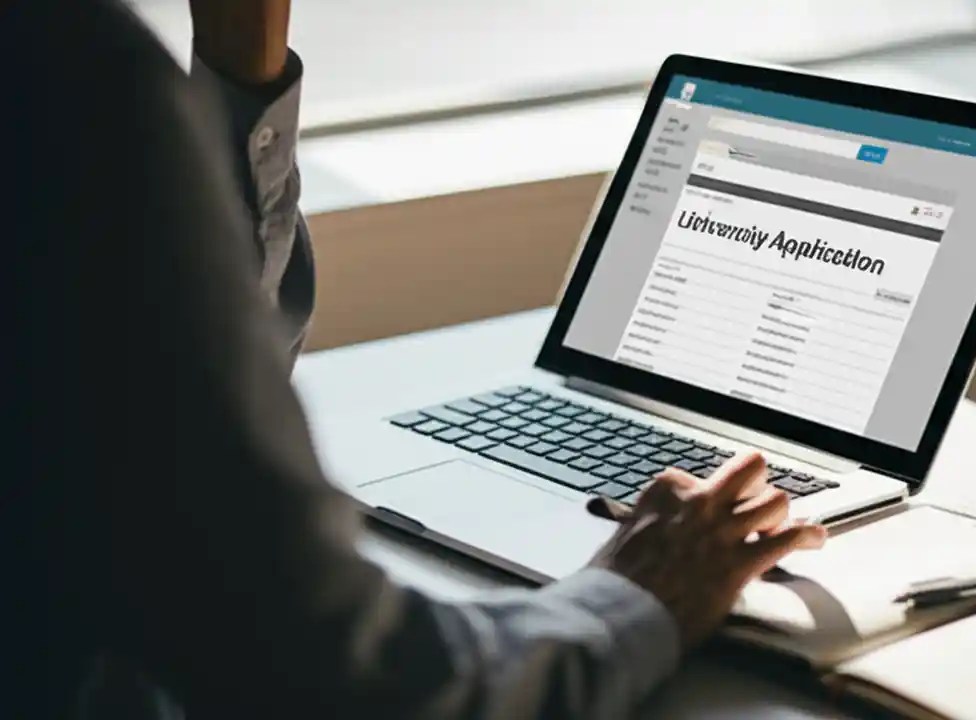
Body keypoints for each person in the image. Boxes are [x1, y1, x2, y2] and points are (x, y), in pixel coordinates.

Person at [6, 1, 826, 718]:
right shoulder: (72, 75)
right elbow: (342, 679)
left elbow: (157, 387)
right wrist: (640, 595)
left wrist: (240, 57)